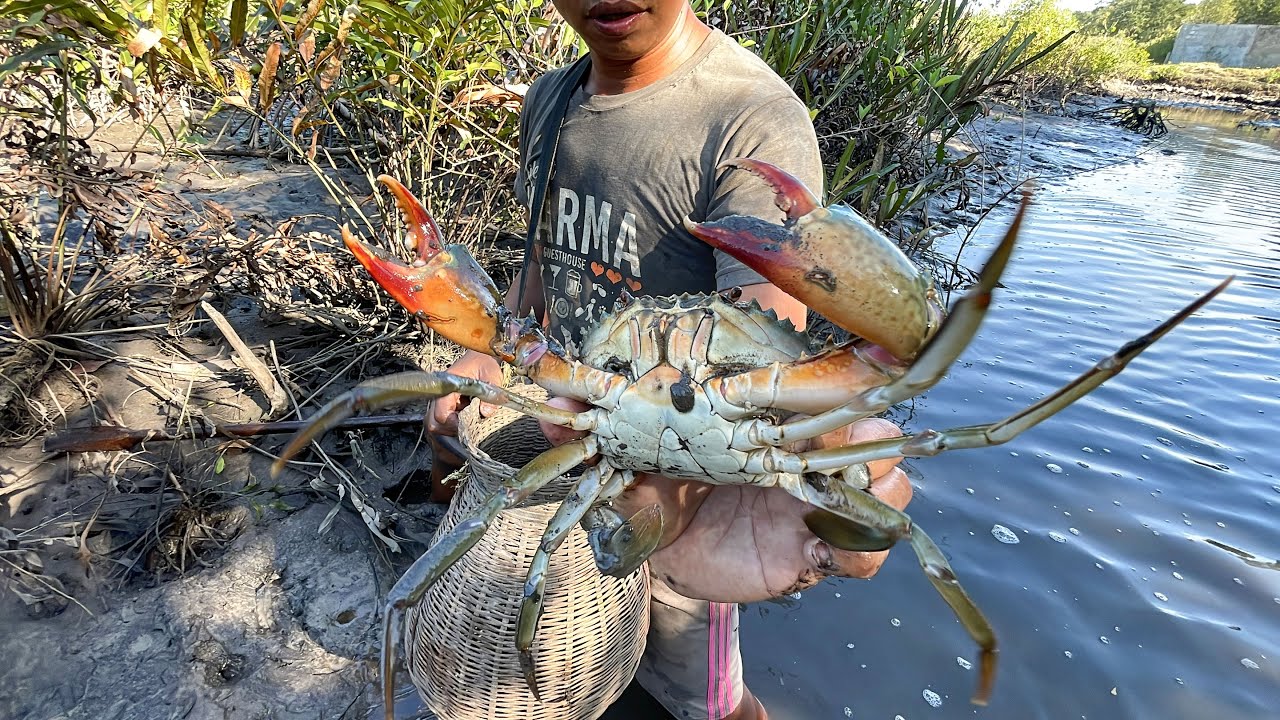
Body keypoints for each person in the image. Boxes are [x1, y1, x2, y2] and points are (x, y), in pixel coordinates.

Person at [426, 2, 914, 718]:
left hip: (694, 490)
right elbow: (545, 253)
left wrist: (669, 508)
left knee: (705, 701)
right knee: (568, 667)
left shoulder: (750, 115)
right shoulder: (550, 98)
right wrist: (491, 355)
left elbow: (764, 371)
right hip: (583, 435)